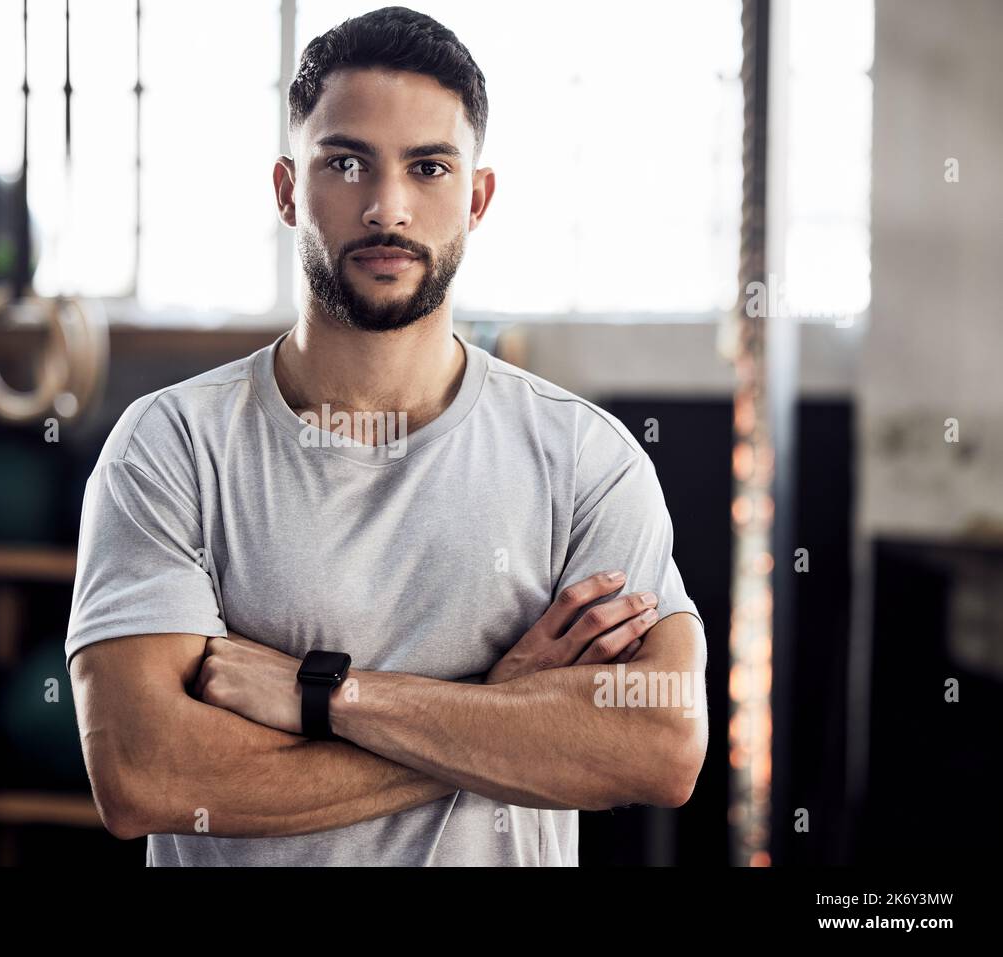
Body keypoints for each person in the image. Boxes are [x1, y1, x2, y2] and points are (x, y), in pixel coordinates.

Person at [66, 6, 707, 866]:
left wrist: (323, 699)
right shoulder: (171, 447)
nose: (387, 207)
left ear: (476, 198)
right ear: (290, 188)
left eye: (429, 167)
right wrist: (498, 712)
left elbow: (659, 747)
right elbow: (145, 773)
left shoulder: (585, 460)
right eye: (346, 162)